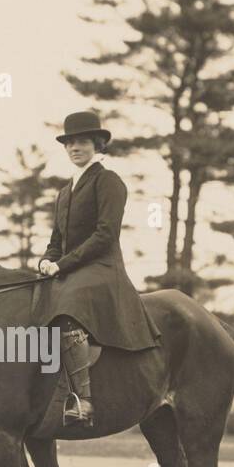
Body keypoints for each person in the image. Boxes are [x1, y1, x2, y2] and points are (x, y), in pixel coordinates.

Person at [38, 111, 159, 426]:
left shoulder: (108, 181)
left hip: (102, 268)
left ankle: (82, 401)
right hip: (70, 268)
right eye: (70, 143)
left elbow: (105, 235)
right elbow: (56, 240)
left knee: (67, 309)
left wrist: (62, 265)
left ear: (96, 145)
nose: (75, 147)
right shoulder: (65, 191)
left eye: (82, 142)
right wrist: (46, 261)